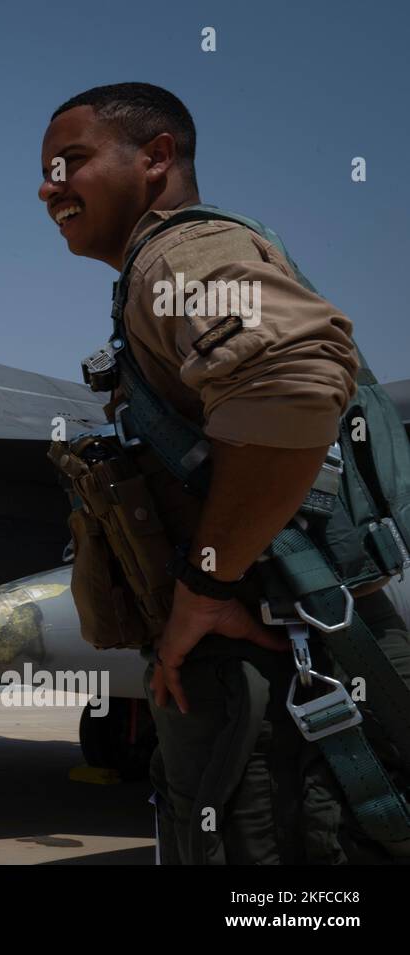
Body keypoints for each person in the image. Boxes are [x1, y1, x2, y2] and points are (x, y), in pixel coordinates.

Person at [39, 82, 410, 863]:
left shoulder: (175, 253)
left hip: (277, 672)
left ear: (156, 157)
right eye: (45, 170)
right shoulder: (172, 263)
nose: (50, 186)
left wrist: (205, 589)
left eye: (70, 161)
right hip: (298, 648)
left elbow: (293, 380)